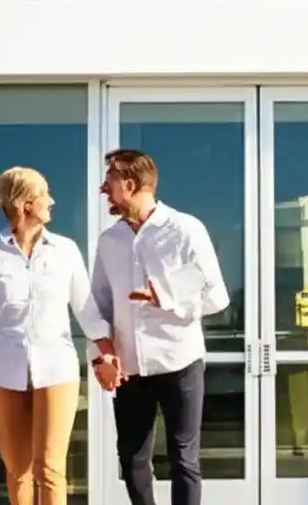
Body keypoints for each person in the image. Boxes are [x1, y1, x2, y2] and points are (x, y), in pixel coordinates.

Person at [0, 166, 118, 505]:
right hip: (4, 374)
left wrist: (106, 353)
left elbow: (87, 309)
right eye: (44, 193)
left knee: (49, 468)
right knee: (17, 470)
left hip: (57, 372)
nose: (52, 200)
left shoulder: (65, 250)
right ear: (24, 203)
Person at [89, 149, 231, 505]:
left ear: (131, 183)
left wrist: (165, 296)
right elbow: (99, 305)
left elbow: (218, 297)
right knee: (132, 458)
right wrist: (99, 358)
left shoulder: (185, 230)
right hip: (130, 367)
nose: (103, 188)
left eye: (110, 180)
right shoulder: (109, 241)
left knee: (184, 458)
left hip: (179, 361)